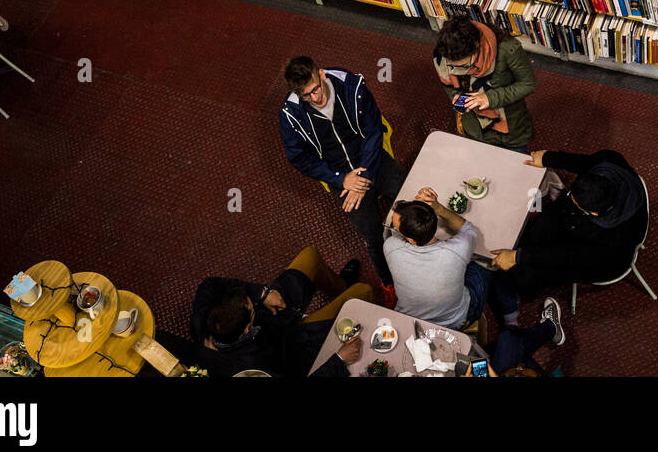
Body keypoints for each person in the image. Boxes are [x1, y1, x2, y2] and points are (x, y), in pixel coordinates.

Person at [279, 56, 407, 298]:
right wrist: (341, 179)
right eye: (307, 95)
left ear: (322, 73)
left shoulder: (352, 86)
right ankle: (388, 283)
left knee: (413, 196)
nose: (316, 98)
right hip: (340, 176)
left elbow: (372, 132)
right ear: (297, 94)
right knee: (372, 236)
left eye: (316, 87)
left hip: (372, 161)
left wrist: (362, 178)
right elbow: (300, 159)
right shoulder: (290, 116)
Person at [489, 149, 647, 303]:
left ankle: (525, 293)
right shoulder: (610, 161)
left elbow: (568, 255)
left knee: (529, 275)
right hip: (577, 224)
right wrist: (548, 158)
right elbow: (584, 163)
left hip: (596, 261)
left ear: (594, 214)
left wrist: (519, 257)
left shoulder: (614, 239)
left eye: (576, 202)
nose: (570, 197)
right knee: (538, 229)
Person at [188, 246, 372, 377]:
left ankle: (340, 286)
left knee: (310, 256)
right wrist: (339, 360)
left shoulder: (203, 318)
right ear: (245, 330)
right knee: (363, 292)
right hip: (296, 346)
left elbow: (209, 284)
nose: (252, 302)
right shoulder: (253, 368)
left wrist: (262, 294)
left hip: (271, 316)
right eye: (251, 309)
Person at [385, 188, 490, 330]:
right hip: (455, 322)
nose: (395, 228)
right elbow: (469, 230)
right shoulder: (455, 251)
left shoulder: (391, 247)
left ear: (410, 239)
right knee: (485, 265)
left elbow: (399, 232)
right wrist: (439, 209)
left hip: (410, 324)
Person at [433, 14, 536, 151]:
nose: (458, 71)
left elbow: (528, 84)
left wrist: (489, 98)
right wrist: (456, 97)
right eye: (452, 66)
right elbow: (449, 86)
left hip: (510, 128)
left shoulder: (507, 49)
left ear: (477, 46)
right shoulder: (443, 53)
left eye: (465, 66)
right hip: (475, 128)